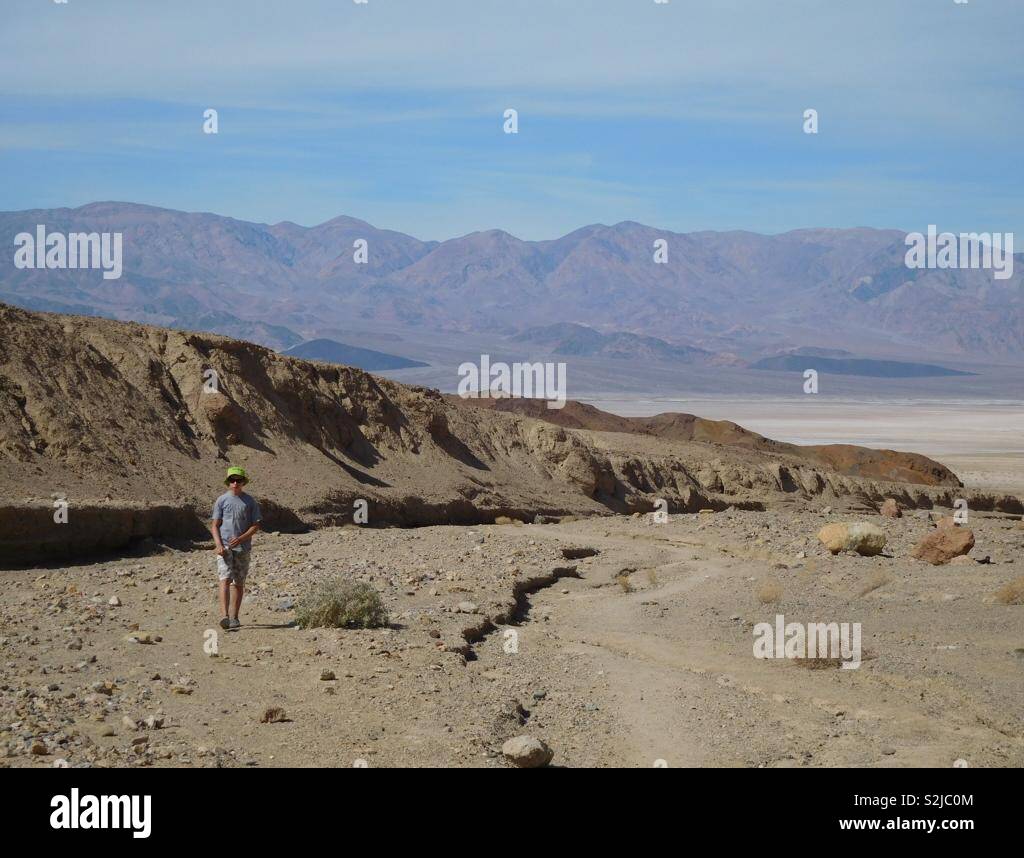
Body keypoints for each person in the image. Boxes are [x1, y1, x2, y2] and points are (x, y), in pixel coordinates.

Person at [211, 466, 262, 630]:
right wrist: (218, 545)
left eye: (238, 480)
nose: (235, 483)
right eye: (232, 480)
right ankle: (224, 616)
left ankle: (234, 617)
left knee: (238, 582)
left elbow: (255, 526)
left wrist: (240, 539)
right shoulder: (221, 500)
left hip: (243, 548)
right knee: (224, 579)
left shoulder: (250, 501)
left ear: (243, 482)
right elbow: (214, 526)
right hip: (224, 547)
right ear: (228, 482)